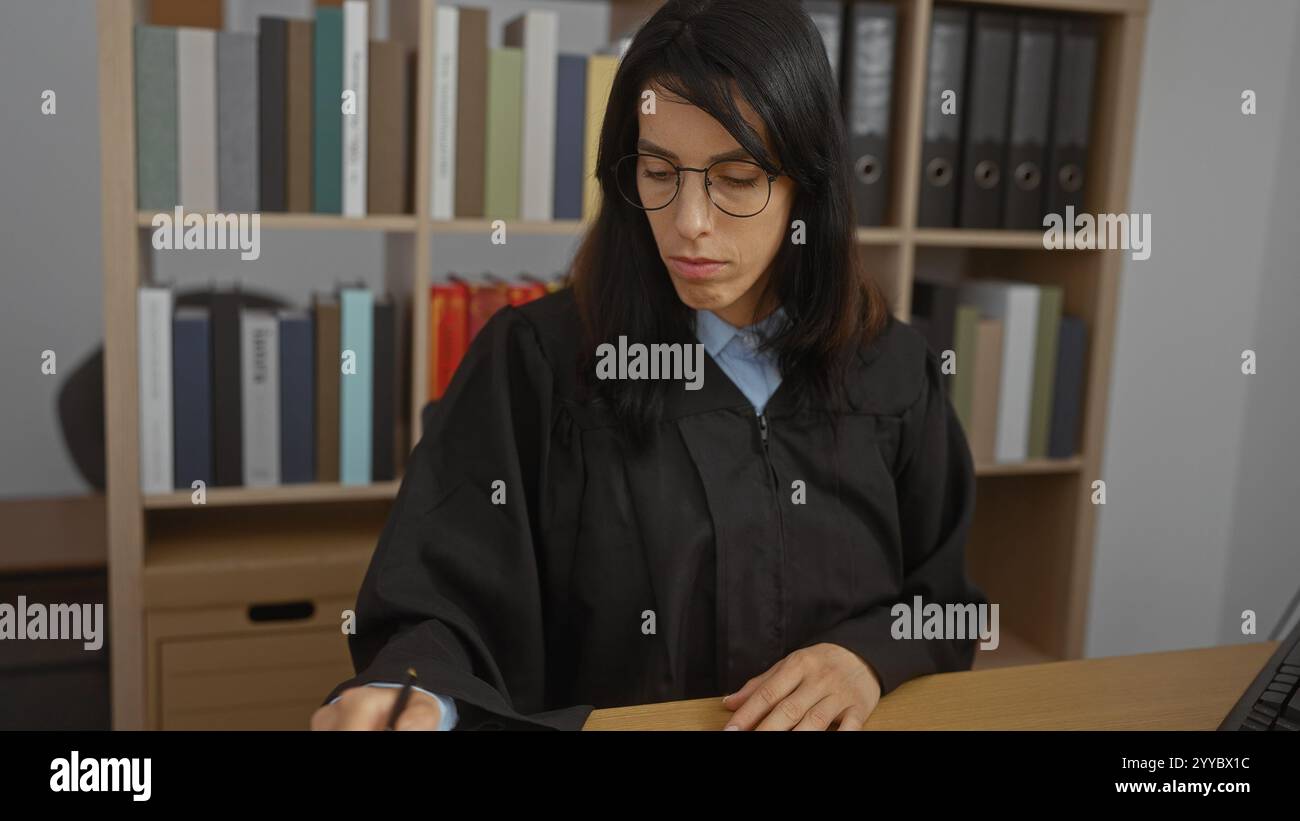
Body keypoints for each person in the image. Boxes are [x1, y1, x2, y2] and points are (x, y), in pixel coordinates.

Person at [311, 0, 985, 732]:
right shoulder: (535, 365)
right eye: (659, 171)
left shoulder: (893, 372)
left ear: (808, 186)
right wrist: (420, 699)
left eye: (736, 177)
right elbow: (436, 602)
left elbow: (944, 602)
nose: (689, 220)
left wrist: (865, 658)